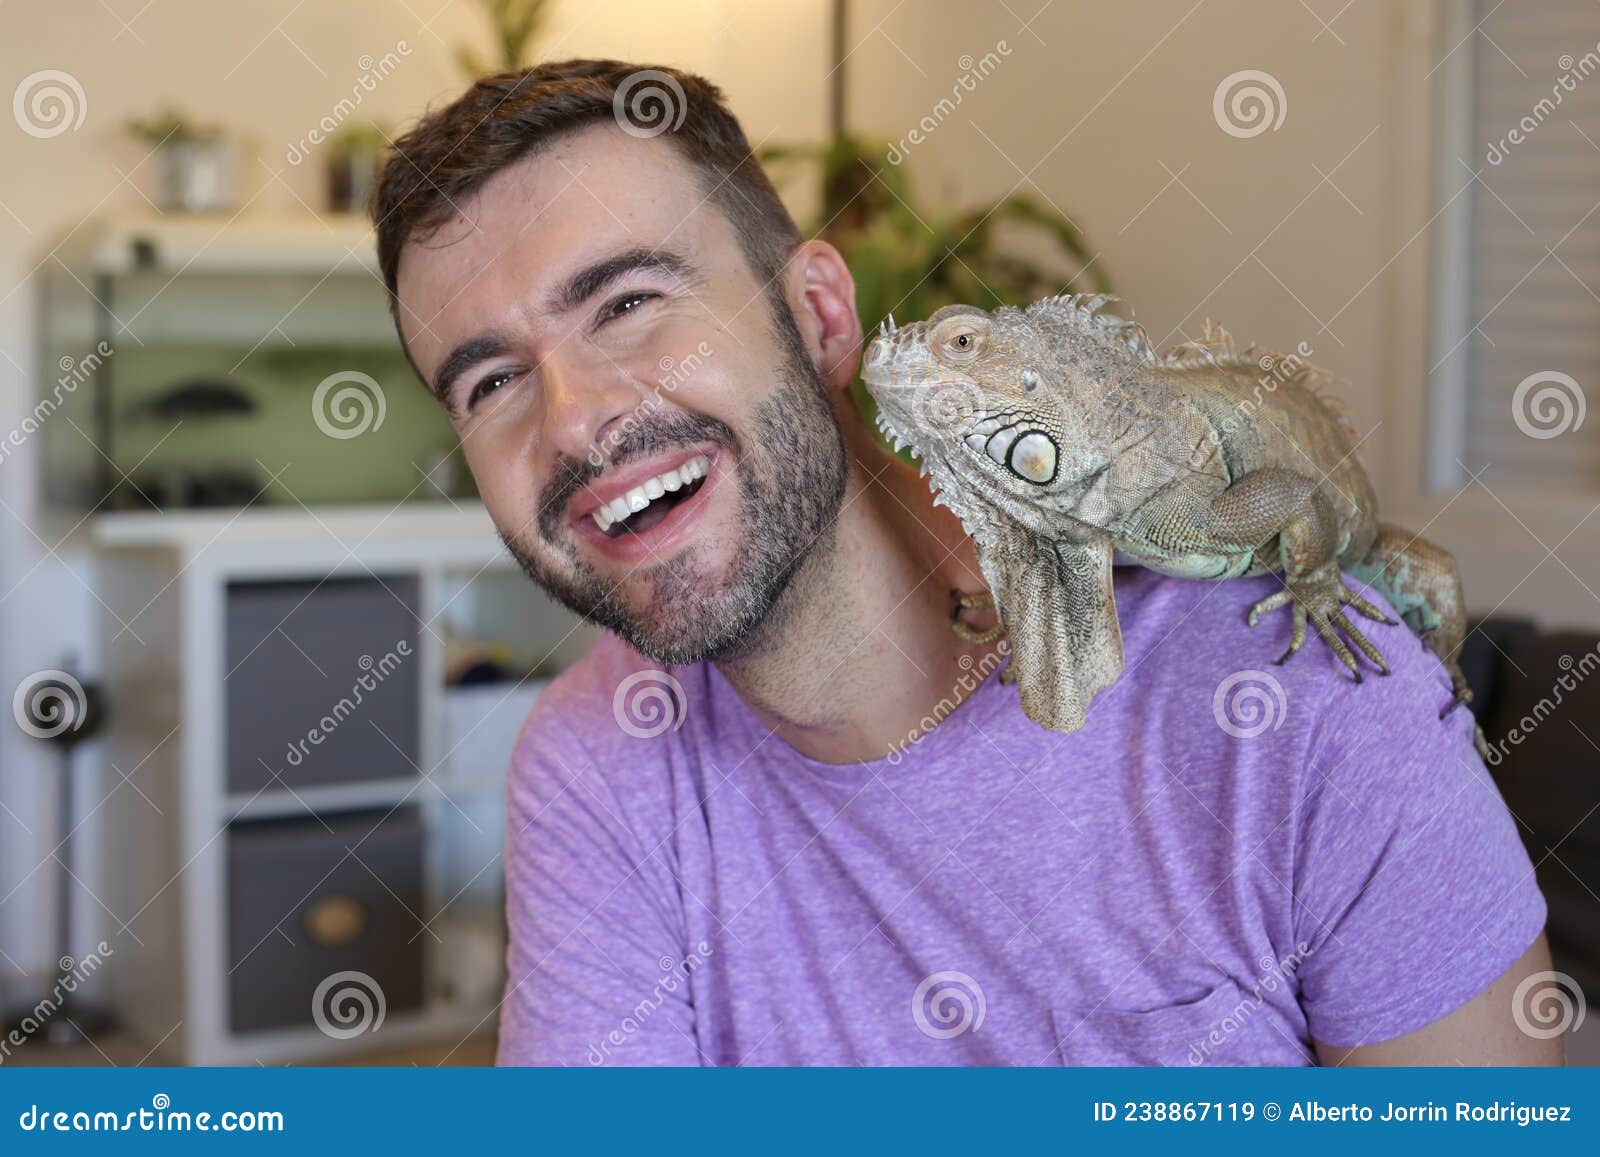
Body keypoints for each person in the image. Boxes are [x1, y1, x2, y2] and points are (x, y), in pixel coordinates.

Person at [371, 59, 1557, 1066]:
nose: (570, 421)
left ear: (823, 319)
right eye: (490, 381)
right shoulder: (600, 760)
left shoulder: (1301, 679)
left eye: (628, 300)